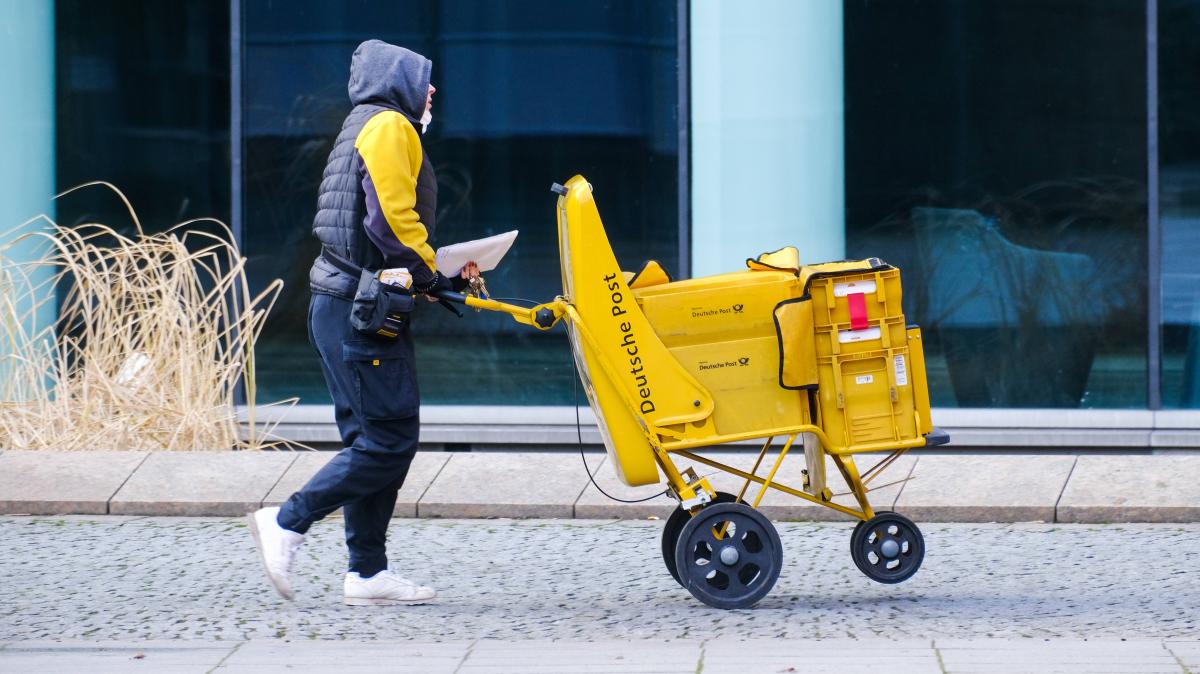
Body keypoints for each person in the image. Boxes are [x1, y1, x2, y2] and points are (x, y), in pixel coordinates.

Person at [247, 39, 473, 606]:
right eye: (425, 80)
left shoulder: (362, 124)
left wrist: (436, 276)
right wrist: (432, 273)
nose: (433, 91)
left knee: (369, 439)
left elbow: (372, 225)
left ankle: (366, 572)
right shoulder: (391, 126)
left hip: (339, 304)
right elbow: (390, 222)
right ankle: (289, 519)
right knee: (391, 439)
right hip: (359, 311)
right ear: (400, 82)